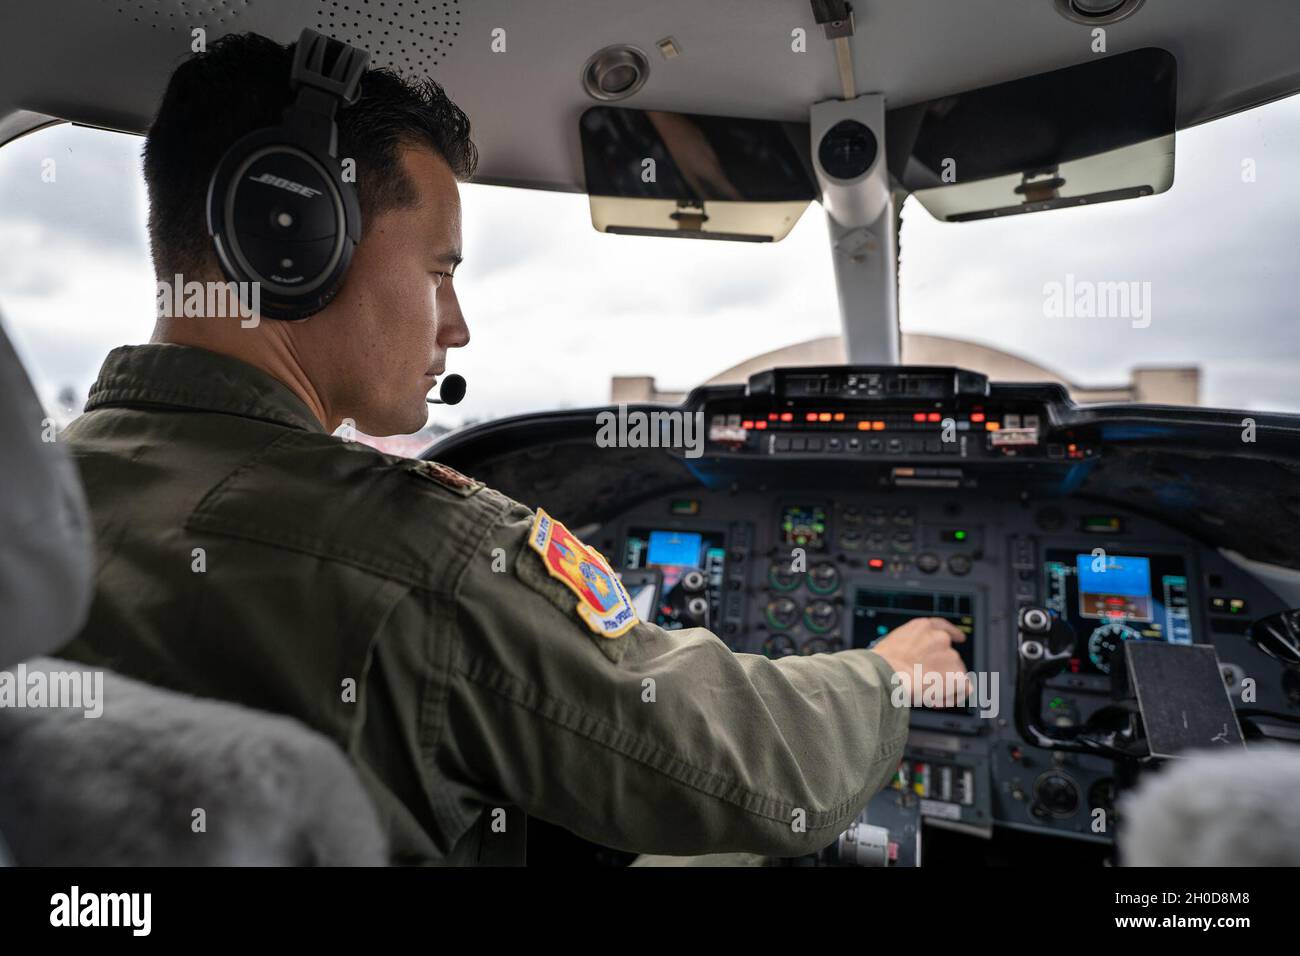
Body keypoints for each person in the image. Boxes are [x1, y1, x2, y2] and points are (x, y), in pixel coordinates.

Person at [57, 32, 968, 864]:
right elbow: (754, 775)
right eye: (440, 271)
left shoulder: (47, 506)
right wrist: (885, 676)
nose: (457, 326)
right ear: (292, 235)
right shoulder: (419, 559)